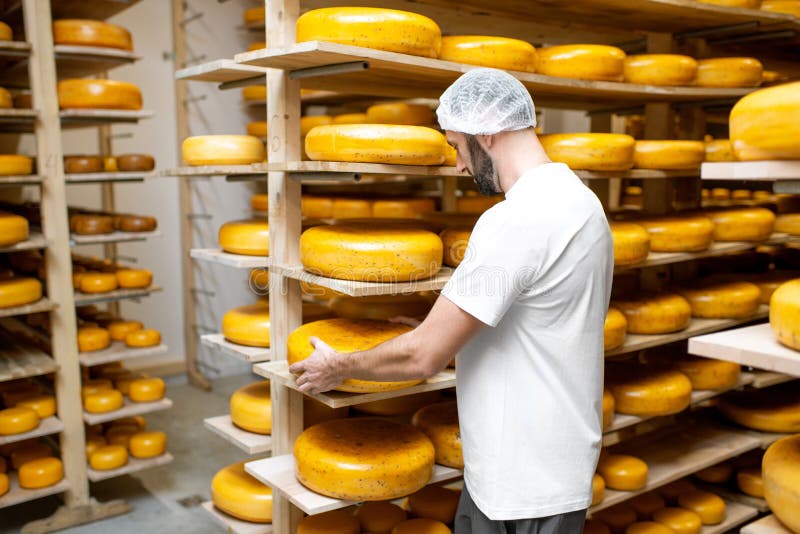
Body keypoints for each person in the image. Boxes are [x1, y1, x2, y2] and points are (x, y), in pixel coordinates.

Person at [289, 68, 614, 534]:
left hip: (517, 483)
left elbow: (424, 356)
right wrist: (439, 323)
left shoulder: (516, 220)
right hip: (557, 463)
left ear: (487, 133)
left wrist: (339, 367)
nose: (459, 165)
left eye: (457, 146)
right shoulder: (580, 202)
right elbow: (540, 315)